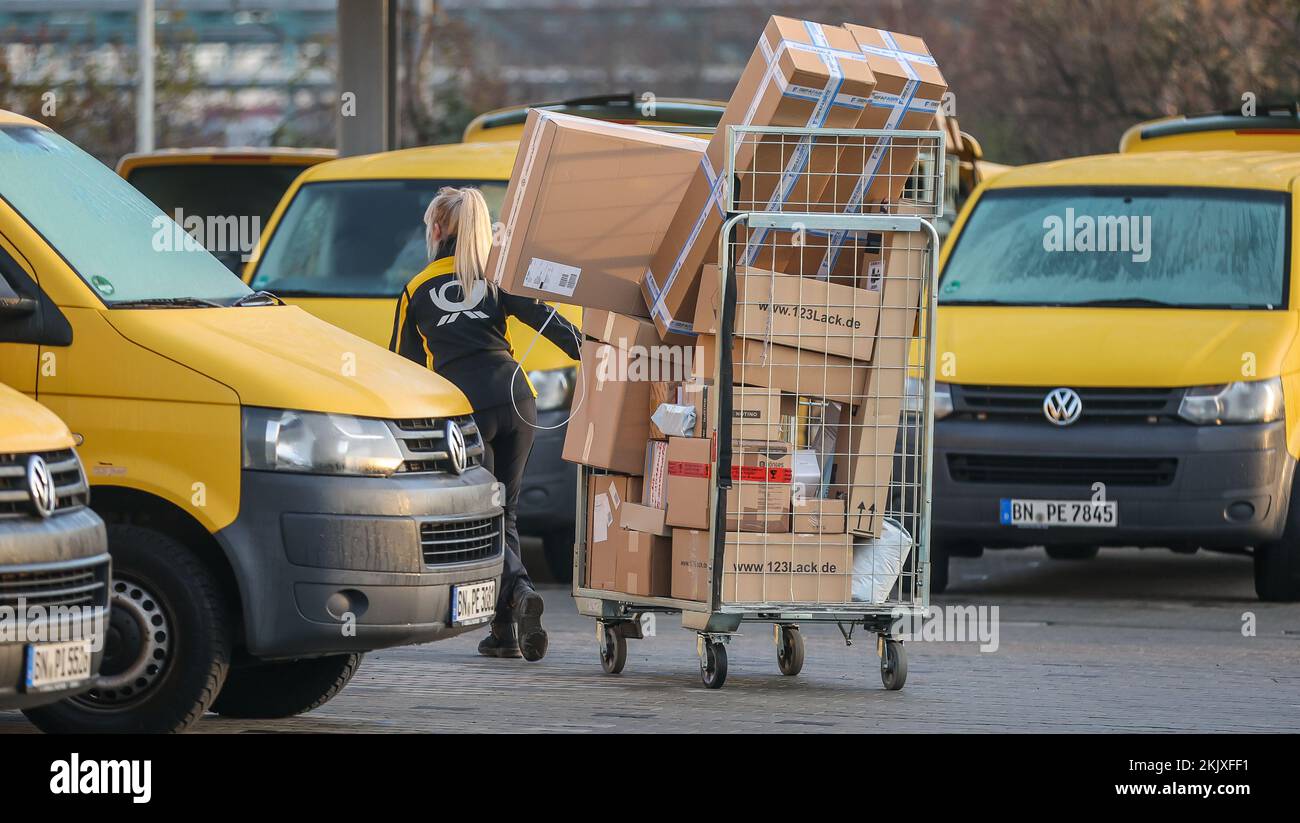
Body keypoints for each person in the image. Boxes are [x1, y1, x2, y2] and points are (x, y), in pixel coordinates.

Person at [390, 186, 582, 662]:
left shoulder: (416, 289)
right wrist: (607, 354)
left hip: (466, 408)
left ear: (436, 230)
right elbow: (551, 323)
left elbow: (402, 368)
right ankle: (504, 632)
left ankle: (518, 593)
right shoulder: (498, 278)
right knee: (506, 512)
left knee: (483, 516)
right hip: (519, 400)